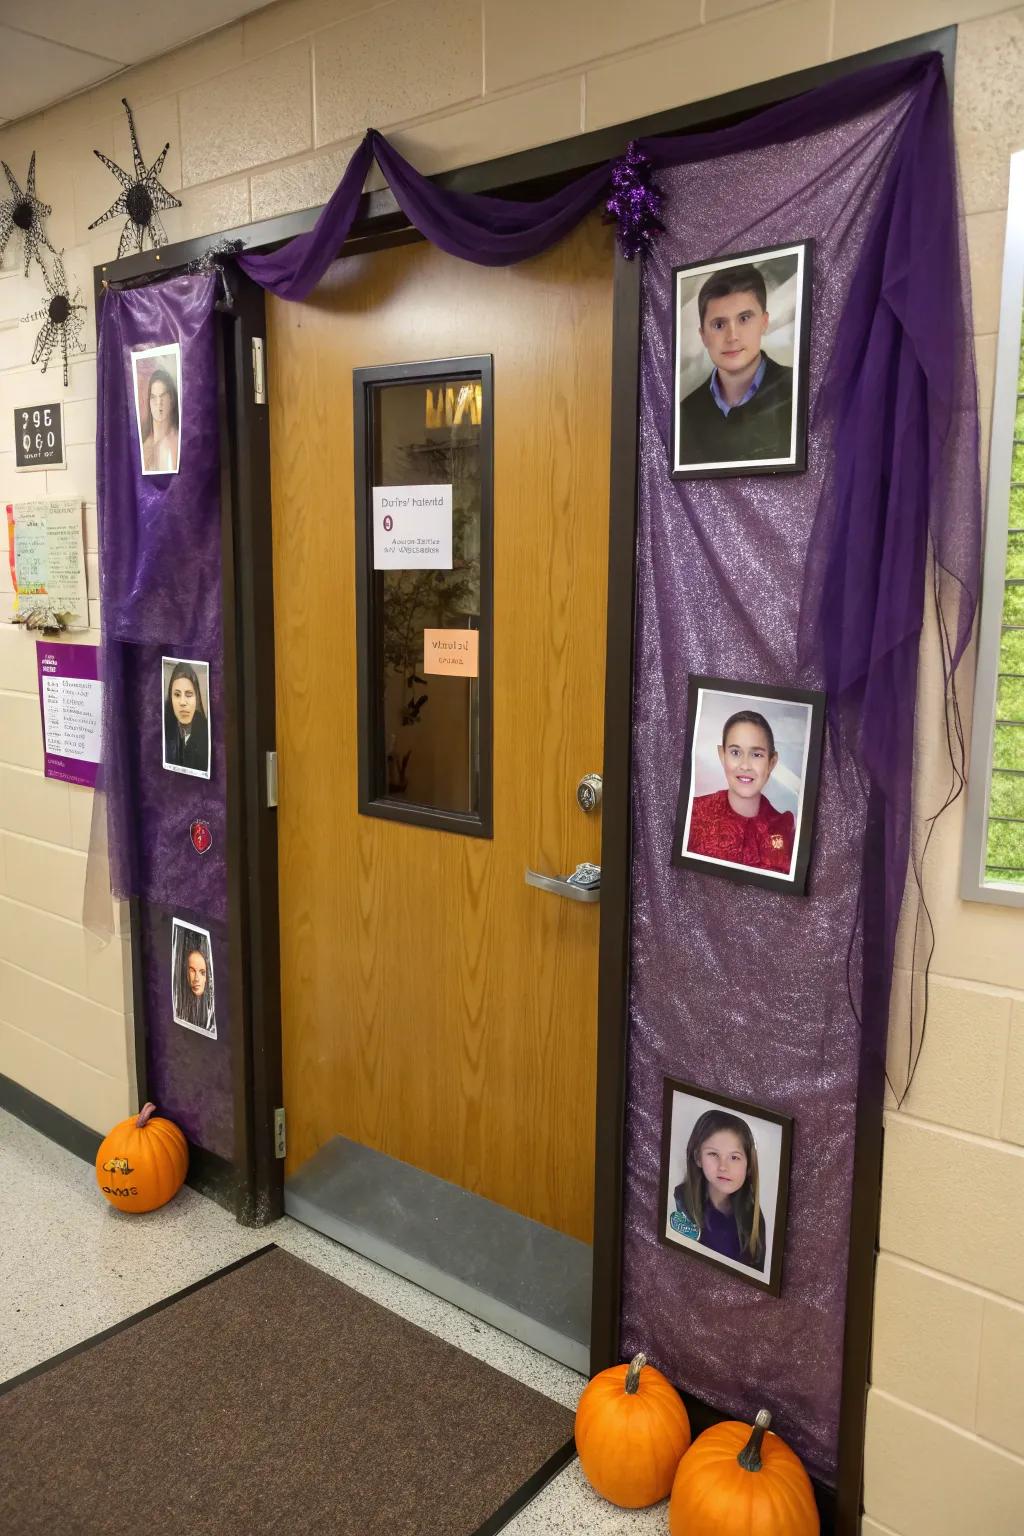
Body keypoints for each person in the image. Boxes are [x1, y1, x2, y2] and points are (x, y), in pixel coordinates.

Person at [677, 263, 793, 466]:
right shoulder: (685, 414)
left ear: (764, 322)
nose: (732, 337)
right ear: (703, 335)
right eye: (719, 325)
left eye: (744, 318)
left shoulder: (797, 392)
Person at [686, 708, 794, 875]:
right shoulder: (693, 813)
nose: (745, 765)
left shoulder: (785, 827)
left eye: (756, 755)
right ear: (722, 755)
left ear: (772, 762)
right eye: (735, 752)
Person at [670, 1109, 766, 1271]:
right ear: (698, 1157)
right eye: (713, 1154)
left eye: (734, 1157)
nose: (723, 1167)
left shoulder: (753, 1218)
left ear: (748, 1165)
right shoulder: (677, 1202)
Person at [163, 661, 210, 776]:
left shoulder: (207, 733)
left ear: (197, 698)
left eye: (189, 695)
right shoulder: (162, 730)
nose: (183, 702)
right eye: (177, 695)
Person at [172, 926, 215, 1034]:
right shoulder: (181, 1008)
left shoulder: (211, 1016)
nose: (196, 979)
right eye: (192, 971)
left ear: (208, 977)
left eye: (202, 972)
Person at [140, 366, 180, 473]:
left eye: (163, 396)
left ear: (171, 400)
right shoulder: (143, 443)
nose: (159, 403)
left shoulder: (177, 441)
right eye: (153, 397)